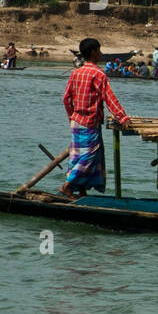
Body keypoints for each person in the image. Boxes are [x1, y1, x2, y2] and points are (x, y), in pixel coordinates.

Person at [61, 37, 132, 199]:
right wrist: (122, 117)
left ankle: (81, 190)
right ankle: (68, 185)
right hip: (89, 121)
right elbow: (109, 98)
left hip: (76, 121)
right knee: (90, 155)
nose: (100, 54)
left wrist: (71, 116)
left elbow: (66, 98)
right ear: (93, 52)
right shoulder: (98, 73)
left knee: (78, 155)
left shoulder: (76, 73)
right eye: (99, 51)